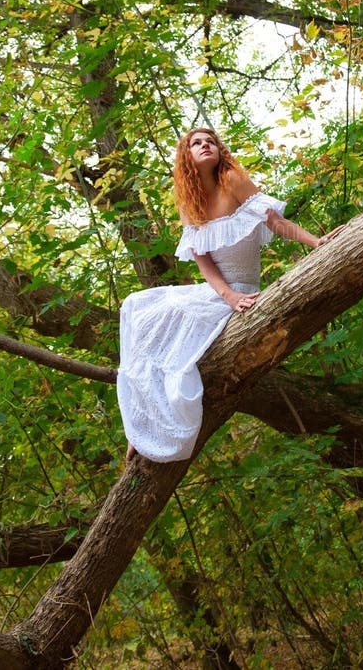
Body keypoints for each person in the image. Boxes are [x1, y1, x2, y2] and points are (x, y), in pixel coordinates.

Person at [117, 128, 343, 463]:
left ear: (219, 150)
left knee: (175, 352)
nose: (206, 145)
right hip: (219, 293)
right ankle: (139, 430)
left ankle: (151, 430)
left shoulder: (233, 180)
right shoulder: (187, 202)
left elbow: (275, 221)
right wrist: (227, 297)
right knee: (137, 309)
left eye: (211, 141)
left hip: (245, 290)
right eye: (197, 143)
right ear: (186, 156)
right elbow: (203, 260)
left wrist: (316, 242)